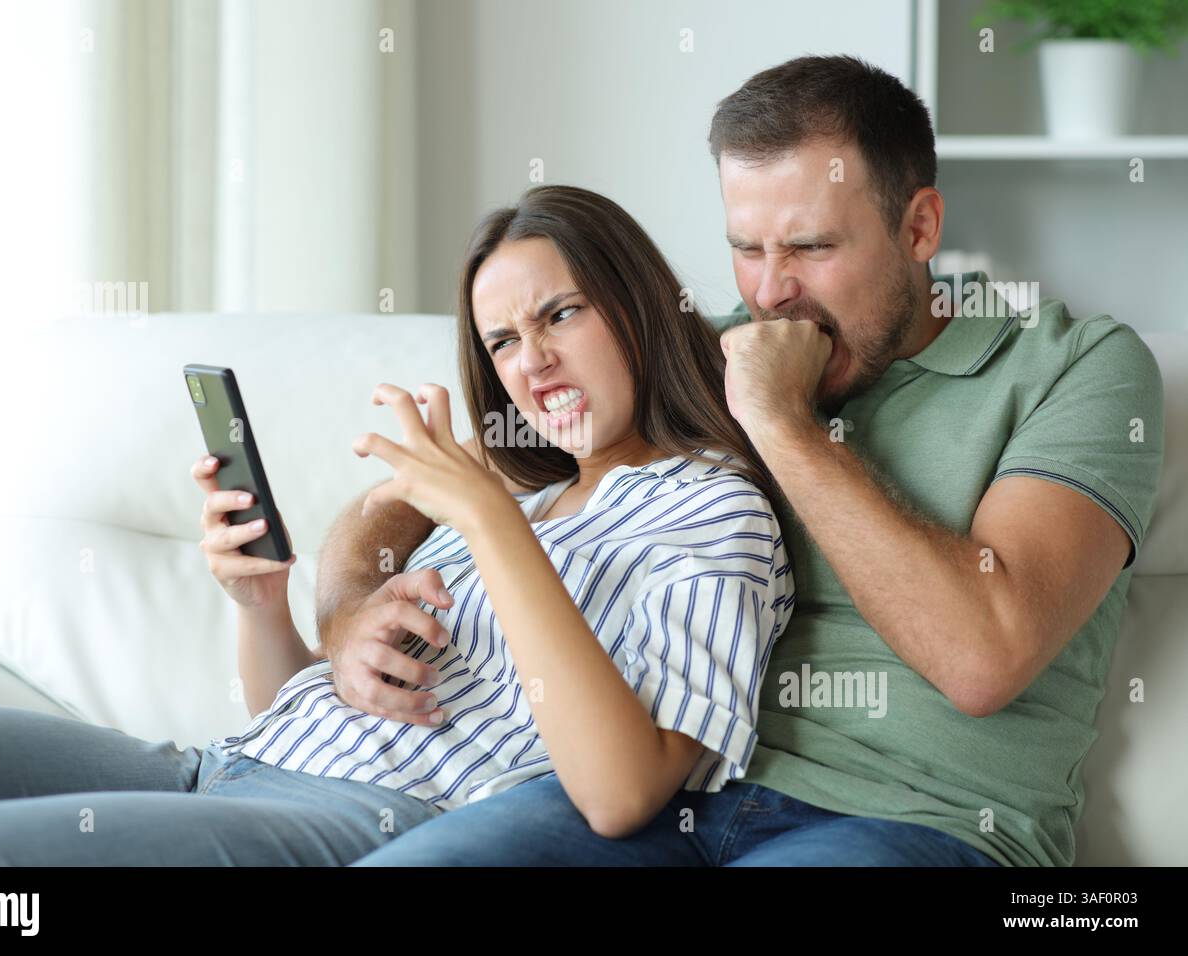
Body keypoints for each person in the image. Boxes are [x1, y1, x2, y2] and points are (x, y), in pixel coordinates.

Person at [331, 56, 1165, 867]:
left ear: (920, 227)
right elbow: (447, 477)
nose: (770, 292)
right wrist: (346, 615)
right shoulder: (714, 349)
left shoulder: (1077, 368)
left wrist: (780, 421)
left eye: (809, 247)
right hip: (667, 799)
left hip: (917, 821)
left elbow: (983, 658)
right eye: (747, 248)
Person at [0, 184, 793, 865]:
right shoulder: (524, 502)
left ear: (637, 307)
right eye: (503, 342)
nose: (534, 362)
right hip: (212, 767)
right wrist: (261, 606)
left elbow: (626, 791)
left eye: (561, 314)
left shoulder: (713, 506)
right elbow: (307, 704)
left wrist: (482, 518)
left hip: (356, 817)